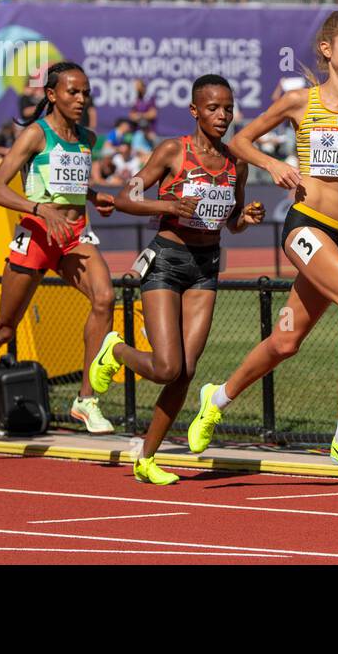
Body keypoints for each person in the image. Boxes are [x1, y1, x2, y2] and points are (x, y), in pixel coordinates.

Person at [185, 11, 338, 471]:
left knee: (286, 342)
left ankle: (217, 398)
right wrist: (273, 167)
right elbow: (242, 140)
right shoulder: (298, 102)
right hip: (306, 226)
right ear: (327, 50)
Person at [85, 75, 265, 484]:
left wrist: (245, 220)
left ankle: (146, 459)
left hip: (206, 266)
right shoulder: (173, 151)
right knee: (167, 366)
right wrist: (169, 203)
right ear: (195, 111)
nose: (222, 116)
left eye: (228, 108)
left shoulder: (237, 162)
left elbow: (231, 221)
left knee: (185, 371)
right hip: (166, 261)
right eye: (213, 108)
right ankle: (114, 350)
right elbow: (126, 197)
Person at [0, 62, 118, 450]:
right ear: (52, 94)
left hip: (73, 235)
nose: (80, 99)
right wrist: (41, 210)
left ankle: (86, 399)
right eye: (72, 92)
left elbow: (67, 182)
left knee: (105, 299)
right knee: (4, 328)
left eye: (85, 92)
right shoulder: (34, 136)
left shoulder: (87, 137)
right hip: (38, 235)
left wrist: (92, 196)